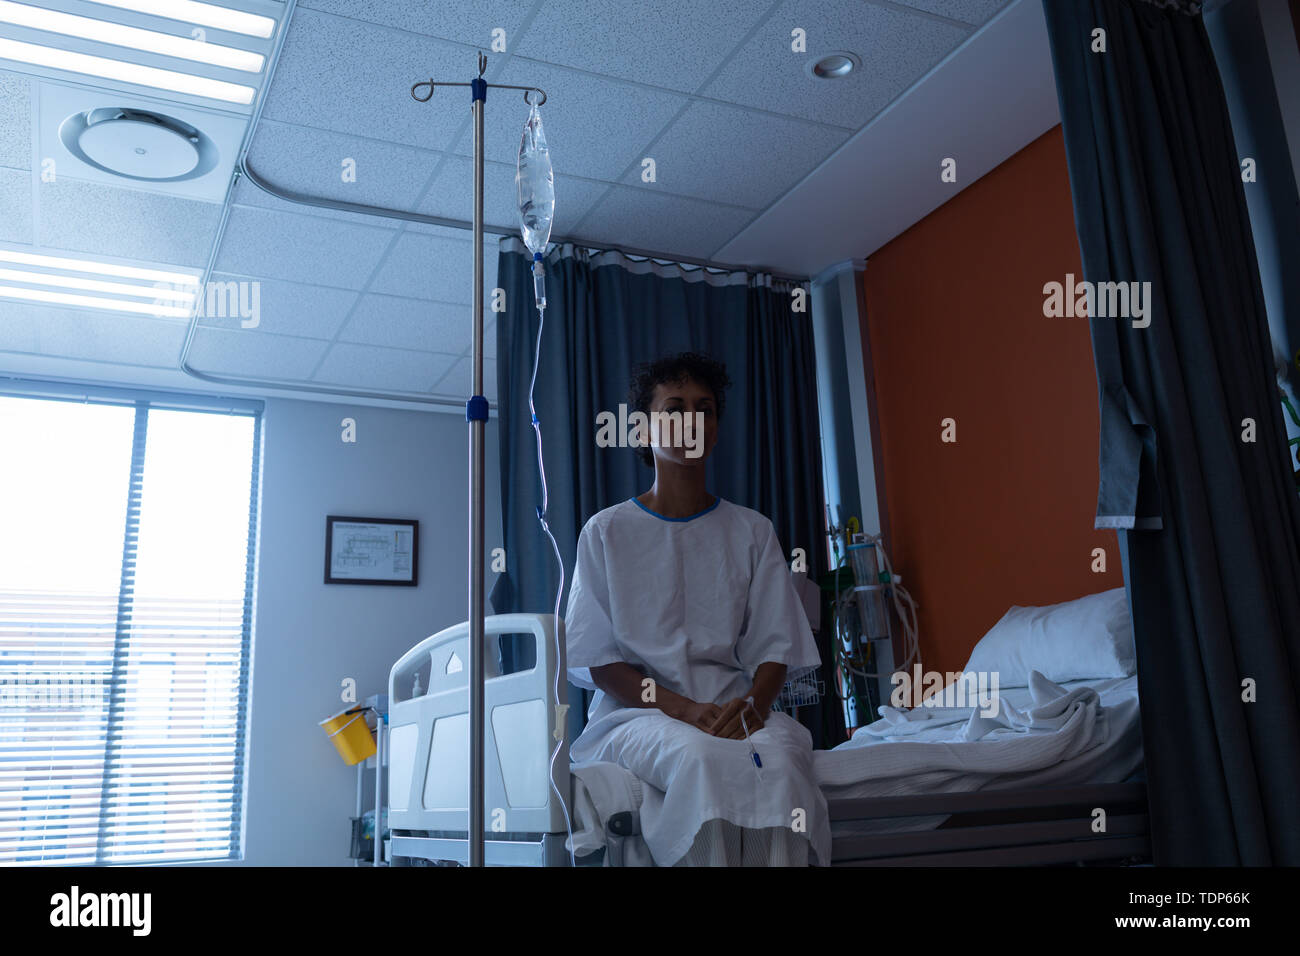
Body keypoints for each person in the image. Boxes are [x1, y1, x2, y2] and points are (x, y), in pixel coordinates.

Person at [564, 351, 830, 866]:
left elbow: (777, 645)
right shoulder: (606, 532)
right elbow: (599, 661)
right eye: (675, 407)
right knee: (702, 758)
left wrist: (753, 706)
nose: (691, 420)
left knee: (778, 763)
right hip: (638, 714)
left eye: (704, 408)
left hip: (739, 708)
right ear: (643, 429)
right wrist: (683, 709)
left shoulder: (752, 531)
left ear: (716, 428)